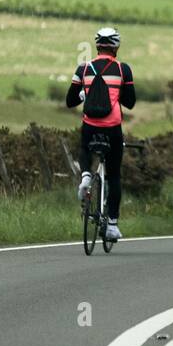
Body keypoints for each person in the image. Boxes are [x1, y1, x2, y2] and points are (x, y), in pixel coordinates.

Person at [66, 27, 135, 241]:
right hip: (113, 127)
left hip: (91, 125)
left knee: (84, 147)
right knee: (114, 175)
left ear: (97, 45)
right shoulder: (123, 70)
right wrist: (117, 92)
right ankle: (112, 225)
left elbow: (70, 101)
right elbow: (130, 103)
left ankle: (86, 173)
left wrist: (83, 93)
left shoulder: (83, 68)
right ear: (116, 47)